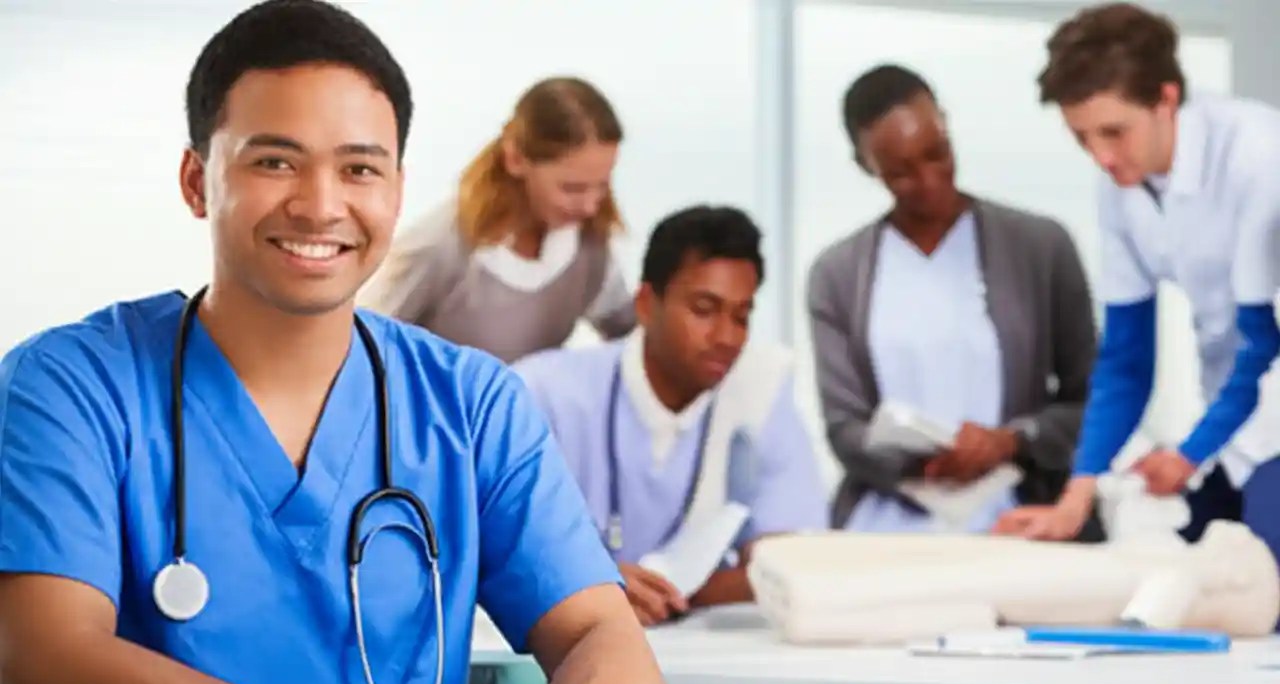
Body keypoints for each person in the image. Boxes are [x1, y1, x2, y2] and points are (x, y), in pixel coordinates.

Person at [0, 2, 667, 684]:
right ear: (197, 181)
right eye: (275, 162)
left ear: (397, 190)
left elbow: (609, 643)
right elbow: (44, 669)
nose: (321, 206)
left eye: (358, 169)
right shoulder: (69, 390)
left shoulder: (472, 406)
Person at [994, 3, 1280, 570]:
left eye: (1114, 132)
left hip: (1267, 406)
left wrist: (1190, 453)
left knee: (1257, 587)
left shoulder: (1260, 155)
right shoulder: (1121, 187)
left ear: (1166, 99)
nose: (1100, 156)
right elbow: (1125, 359)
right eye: (1082, 137)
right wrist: (1076, 496)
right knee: (1171, 580)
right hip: (1234, 421)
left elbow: (1263, 345)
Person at [807, 64, 1101, 537]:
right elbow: (844, 427)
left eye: (937, 152)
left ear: (945, 122)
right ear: (866, 166)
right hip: (885, 525)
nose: (928, 181)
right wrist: (920, 463)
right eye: (900, 172)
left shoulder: (1042, 247)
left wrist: (1011, 440)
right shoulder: (837, 275)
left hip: (1017, 516)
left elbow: (1094, 397)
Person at [513, 205, 828, 627]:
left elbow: (791, 564)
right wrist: (594, 587)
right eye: (703, 309)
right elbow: (497, 551)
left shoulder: (760, 390)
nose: (726, 337)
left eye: (741, 315)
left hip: (706, 661)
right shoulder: (546, 390)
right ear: (646, 303)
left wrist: (655, 592)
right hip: (564, 654)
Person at [359, 76, 634, 364]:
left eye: (602, 185)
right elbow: (359, 347)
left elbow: (630, 337)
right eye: (572, 188)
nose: (591, 206)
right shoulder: (439, 246)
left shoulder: (589, 245)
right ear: (515, 158)